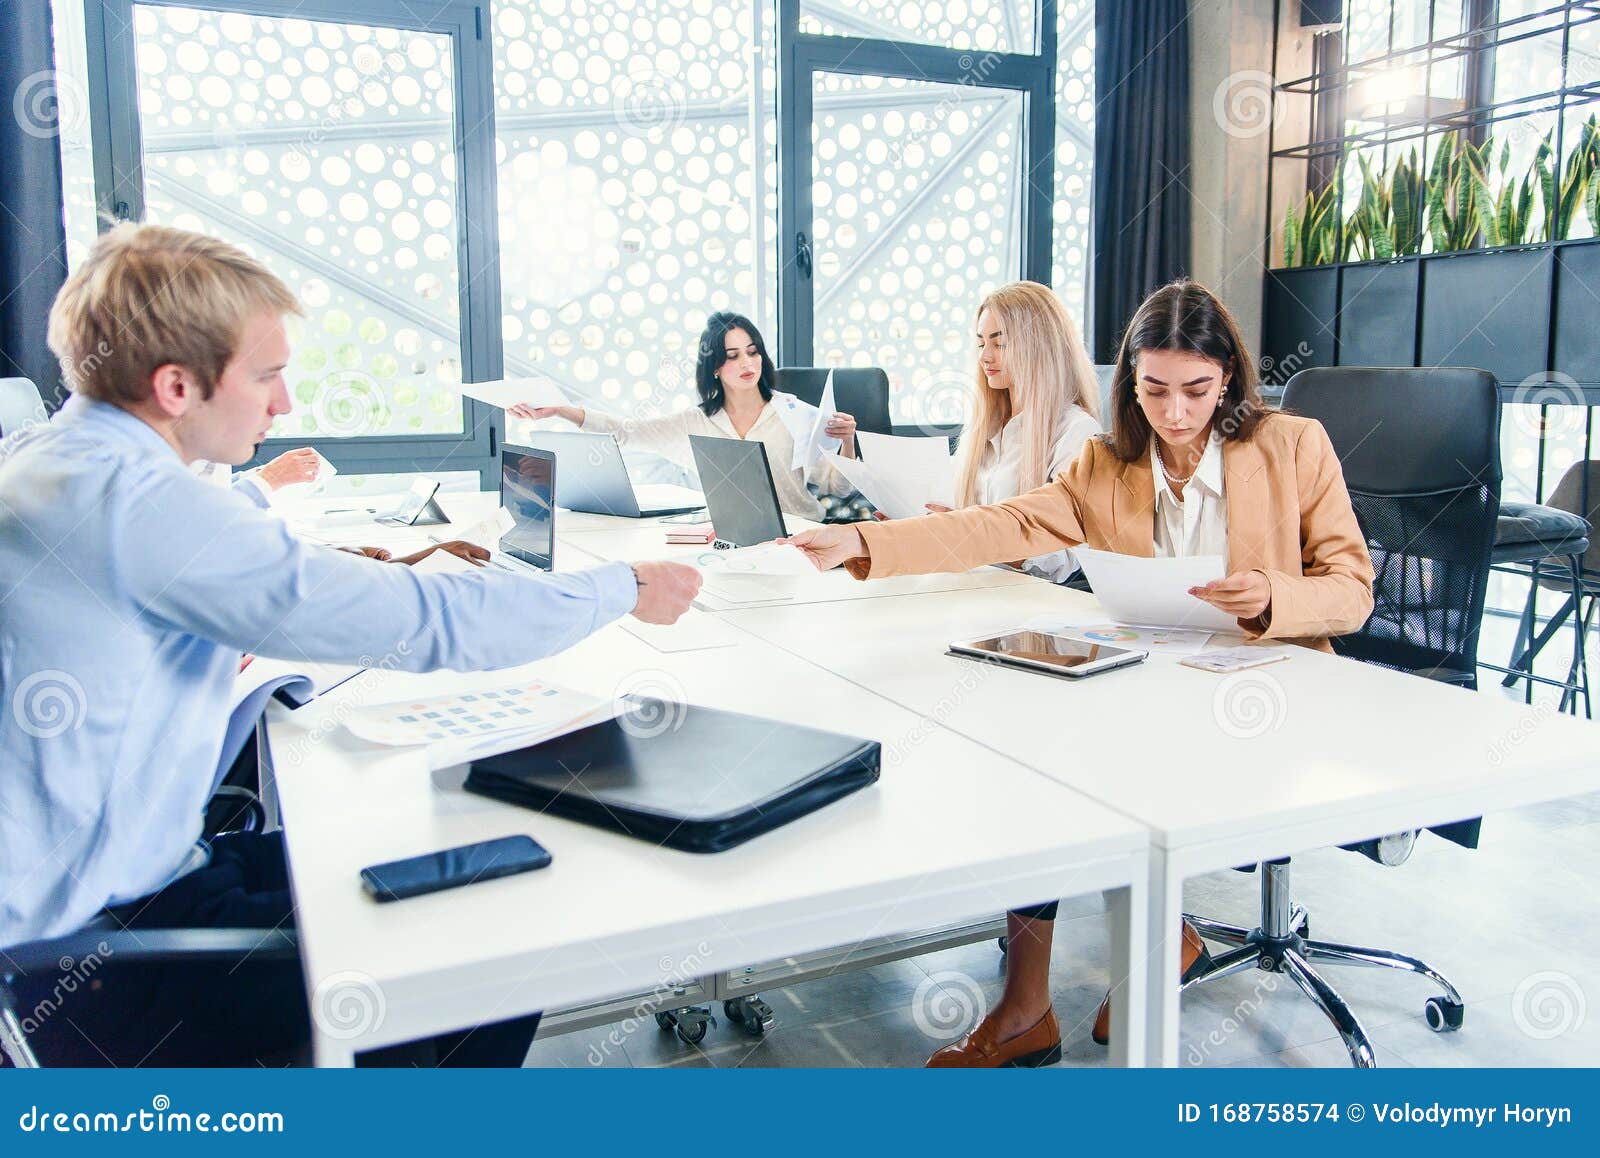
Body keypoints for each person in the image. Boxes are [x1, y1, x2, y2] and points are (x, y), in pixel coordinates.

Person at [0, 223, 702, 1066]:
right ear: (177, 386)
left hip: (135, 885)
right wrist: (621, 587)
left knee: (427, 846)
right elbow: (426, 620)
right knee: (499, 929)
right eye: (266, 376)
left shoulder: (48, 454)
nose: (284, 402)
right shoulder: (136, 504)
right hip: (109, 953)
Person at [784, 280, 1375, 1068]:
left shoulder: (1292, 445)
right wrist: (867, 547)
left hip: (1262, 691)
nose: (1174, 413)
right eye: (1154, 390)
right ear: (1131, 382)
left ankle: (1154, 945)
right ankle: (1032, 1006)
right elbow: (1007, 523)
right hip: (1149, 684)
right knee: (1036, 753)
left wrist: (1274, 593)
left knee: (1082, 762)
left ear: (1228, 376)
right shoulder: (1106, 462)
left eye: (1196, 390)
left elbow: (1353, 589)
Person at [508, 312, 858, 521]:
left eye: (753, 352)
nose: (747, 363)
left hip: (800, 539)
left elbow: (838, 487)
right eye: (733, 356)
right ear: (716, 368)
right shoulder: (697, 422)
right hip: (732, 545)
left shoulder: (794, 413)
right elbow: (628, 432)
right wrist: (561, 410)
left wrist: (846, 441)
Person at [902, 281, 1100, 582]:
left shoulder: (1075, 431)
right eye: (981, 343)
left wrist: (974, 537)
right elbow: (956, 517)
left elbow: (1070, 555)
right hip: (970, 588)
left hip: (1029, 603)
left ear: (1038, 345)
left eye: (1000, 343)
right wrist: (911, 524)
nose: (985, 357)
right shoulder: (987, 428)